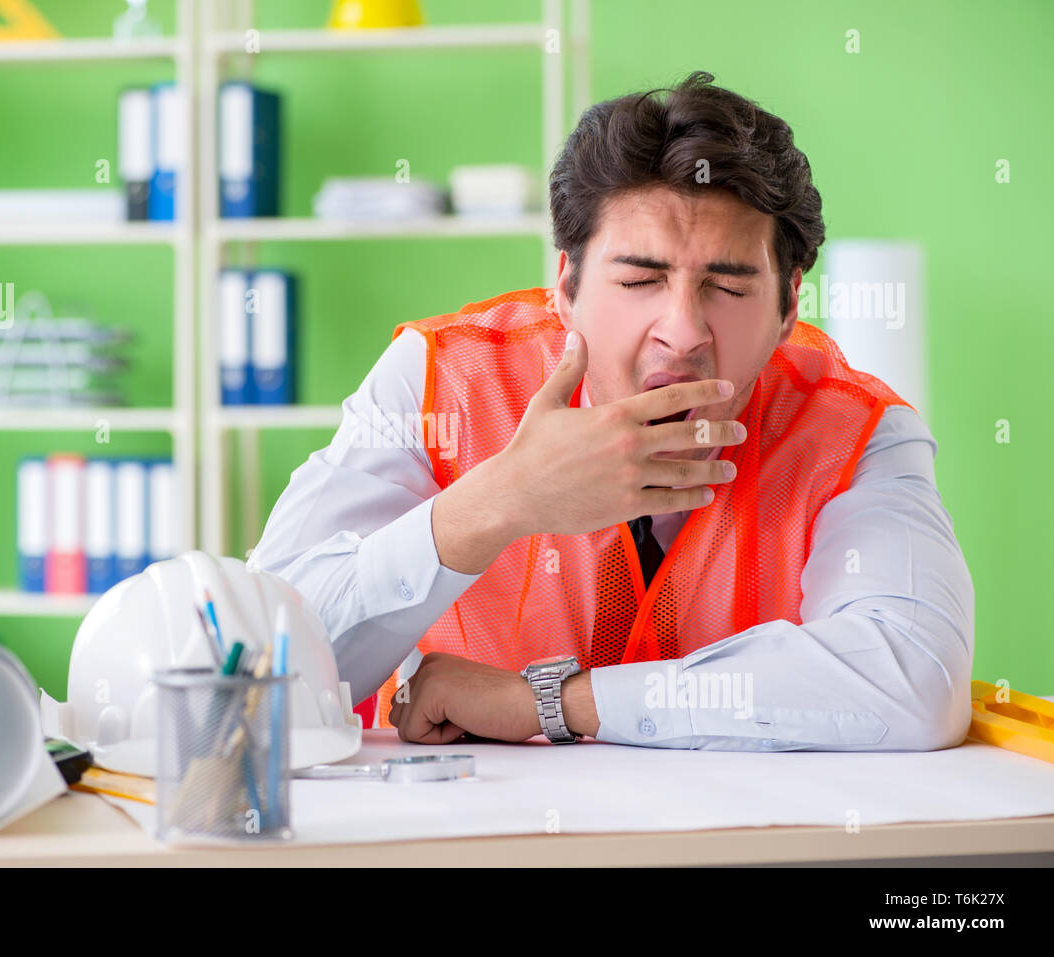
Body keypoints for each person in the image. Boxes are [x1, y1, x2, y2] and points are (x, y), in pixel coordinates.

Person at [247, 71, 973, 751]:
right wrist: (498, 503)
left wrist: (557, 702)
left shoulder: (861, 432)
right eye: (640, 279)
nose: (683, 330)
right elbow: (254, 670)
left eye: (727, 285)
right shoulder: (438, 380)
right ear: (566, 285)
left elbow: (916, 680)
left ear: (788, 306)